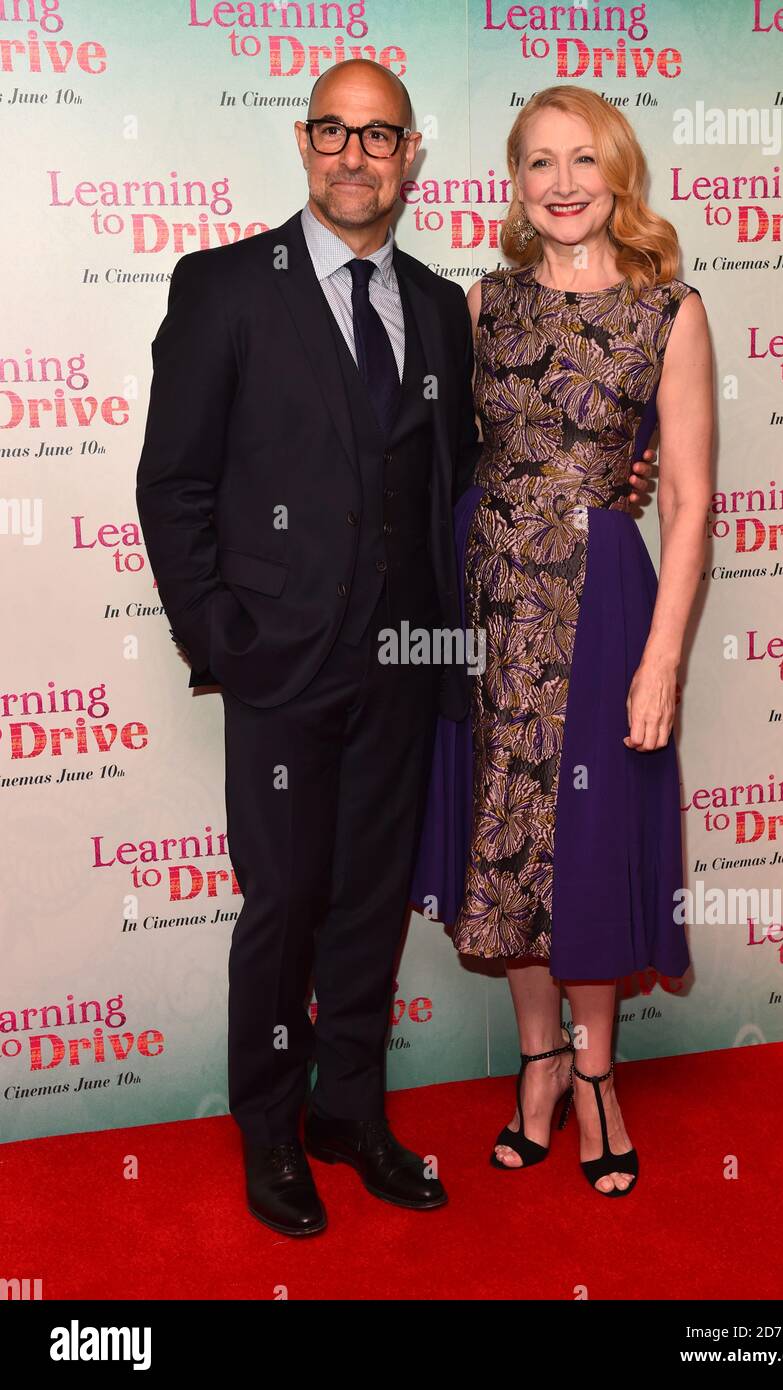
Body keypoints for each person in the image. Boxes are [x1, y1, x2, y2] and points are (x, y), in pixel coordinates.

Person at [136, 60, 656, 1237]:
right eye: (336, 132)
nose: (356, 156)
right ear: (306, 143)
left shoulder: (435, 303)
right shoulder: (223, 287)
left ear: (410, 154)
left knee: (368, 904)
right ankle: (271, 1132)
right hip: (276, 663)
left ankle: (349, 1112)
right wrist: (220, 637)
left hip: (408, 665)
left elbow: (477, 467)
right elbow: (173, 485)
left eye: (381, 137)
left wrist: (610, 476)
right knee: (284, 905)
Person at [413, 84, 713, 1197]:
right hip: (488, 605)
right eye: (538, 162)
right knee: (509, 851)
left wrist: (664, 657)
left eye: (583, 159)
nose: (562, 183)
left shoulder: (669, 310)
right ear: (515, 180)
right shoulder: (480, 304)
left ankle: (597, 1076)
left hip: (604, 604)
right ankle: (538, 1062)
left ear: (618, 172)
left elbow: (684, 498)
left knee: (583, 841)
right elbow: (438, 456)